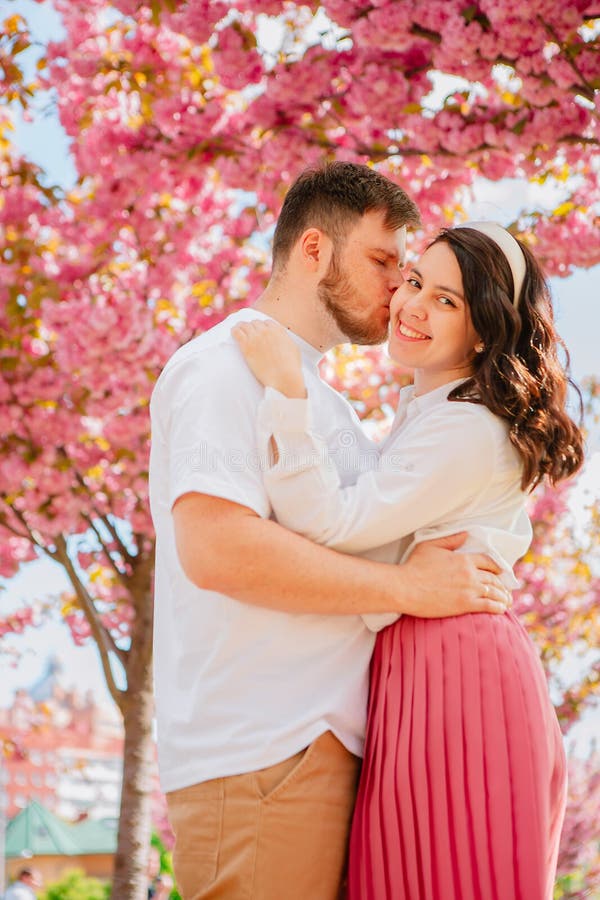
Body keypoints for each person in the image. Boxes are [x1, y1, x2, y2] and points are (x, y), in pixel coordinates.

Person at [149, 164, 511, 900]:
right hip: (263, 756)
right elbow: (218, 548)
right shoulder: (225, 367)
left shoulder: (333, 407)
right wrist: (409, 588)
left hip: (329, 751)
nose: (397, 288)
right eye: (383, 262)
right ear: (314, 250)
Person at [233, 221, 585, 899]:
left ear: (484, 329)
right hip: (431, 659)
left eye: (448, 300)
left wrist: (287, 394)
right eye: (416, 281)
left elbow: (334, 526)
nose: (413, 304)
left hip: (457, 670)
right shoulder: (438, 411)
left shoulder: (466, 426)